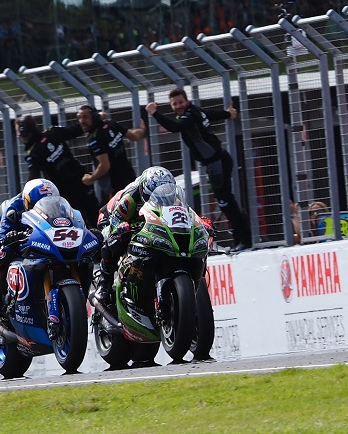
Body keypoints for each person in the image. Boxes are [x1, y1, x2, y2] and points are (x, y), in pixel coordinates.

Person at [141, 89, 252, 249]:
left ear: (186, 101)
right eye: (175, 104)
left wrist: (154, 113)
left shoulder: (190, 115)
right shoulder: (195, 111)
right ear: (172, 106)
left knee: (226, 202)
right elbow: (211, 114)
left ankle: (245, 239)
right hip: (217, 162)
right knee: (226, 201)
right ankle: (241, 238)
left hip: (217, 163)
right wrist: (227, 114)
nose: (178, 106)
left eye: (180, 102)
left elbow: (175, 127)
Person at [89, 166, 179, 311]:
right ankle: (104, 284)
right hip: (112, 217)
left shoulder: (171, 197)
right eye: (157, 198)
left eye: (165, 197)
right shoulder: (130, 200)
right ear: (145, 192)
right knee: (113, 239)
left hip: (145, 221)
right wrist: (120, 230)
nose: (162, 201)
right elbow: (113, 227)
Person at [0, 178, 62, 320]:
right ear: (27, 202)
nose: (47, 206)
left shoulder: (60, 207)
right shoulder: (13, 208)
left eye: (51, 203)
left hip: (40, 231)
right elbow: (1, 238)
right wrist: (7, 238)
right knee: (1, 253)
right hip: (6, 225)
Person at [16, 114, 94, 223]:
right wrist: (96, 118)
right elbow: (77, 129)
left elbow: (33, 181)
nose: (20, 137)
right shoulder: (53, 131)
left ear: (25, 133)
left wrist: (21, 198)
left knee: (79, 222)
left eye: (20, 134)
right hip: (82, 180)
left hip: (66, 193)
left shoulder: (34, 154)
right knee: (95, 214)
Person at [77, 104, 140, 222]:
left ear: (94, 117)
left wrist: (90, 178)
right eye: (79, 118)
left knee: (111, 220)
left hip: (114, 189)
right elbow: (135, 135)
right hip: (130, 179)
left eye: (85, 117)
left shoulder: (94, 138)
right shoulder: (111, 124)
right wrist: (142, 128)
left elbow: (104, 166)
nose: (81, 121)